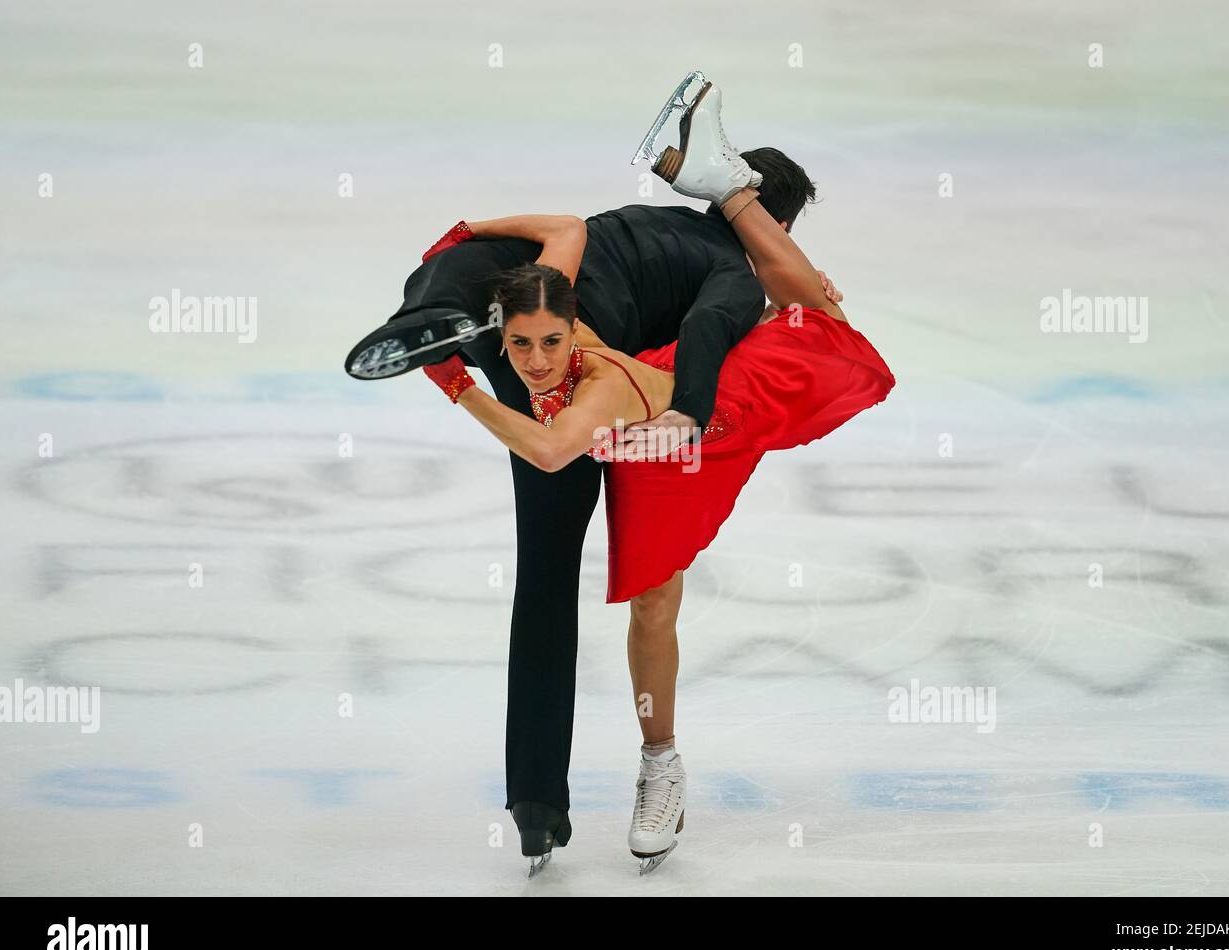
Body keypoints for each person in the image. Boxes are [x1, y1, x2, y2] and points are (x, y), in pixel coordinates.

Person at [345, 81, 820, 871]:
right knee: (583, 559)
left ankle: (428, 320)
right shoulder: (737, 276)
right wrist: (691, 413)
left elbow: (563, 233)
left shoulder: (657, 225)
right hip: (580, 364)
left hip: (531, 319)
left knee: (474, 275)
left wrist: (467, 257)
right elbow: (709, 325)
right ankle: (564, 796)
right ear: (778, 225)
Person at [422, 157, 895, 872]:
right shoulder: (697, 253)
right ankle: (625, 772)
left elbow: (779, 317)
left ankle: (643, 768)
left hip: (676, 427)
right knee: (634, 596)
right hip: (625, 400)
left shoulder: (756, 283)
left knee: (641, 593)